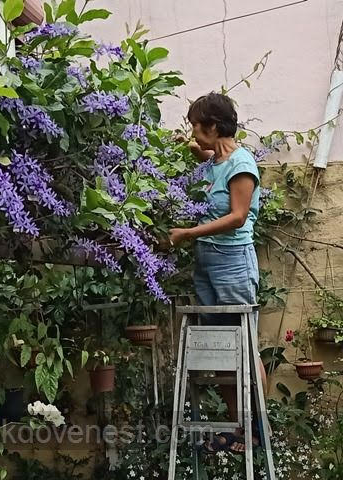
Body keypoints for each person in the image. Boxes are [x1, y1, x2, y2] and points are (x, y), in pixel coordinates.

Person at [168, 92, 265, 454]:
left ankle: (256, 426)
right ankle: (237, 426)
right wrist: (191, 150)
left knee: (244, 344)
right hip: (207, 265)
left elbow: (238, 216)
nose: (193, 130)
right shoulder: (215, 163)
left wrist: (189, 233)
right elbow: (208, 157)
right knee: (221, 347)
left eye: (196, 125)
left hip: (233, 264)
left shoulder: (242, 163)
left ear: (214, 125)